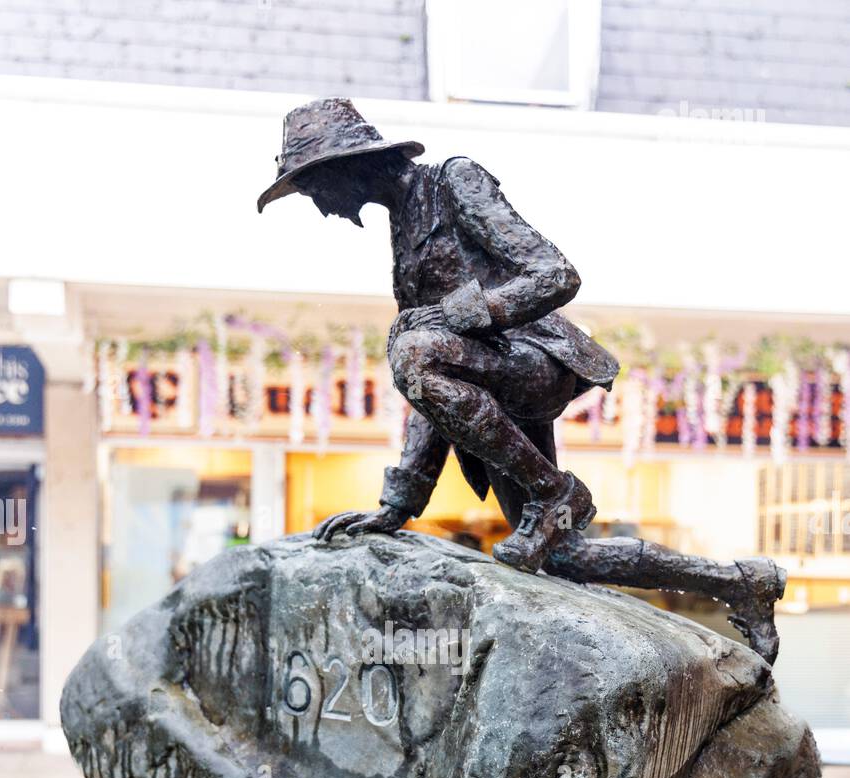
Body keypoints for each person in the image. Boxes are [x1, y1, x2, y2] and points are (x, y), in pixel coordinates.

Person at [259, 98, 784, 663]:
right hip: (494, 377)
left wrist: (478, 309)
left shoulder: (453, 181)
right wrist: (399, 504)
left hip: (534, 359)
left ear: (343, 167)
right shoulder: (401, 223)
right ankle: (739, 582)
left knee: (413, 347)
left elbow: (555, 273)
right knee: (562, 558)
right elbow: (426, 387)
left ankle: (553, 492)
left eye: (313, 191)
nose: (320, 209)